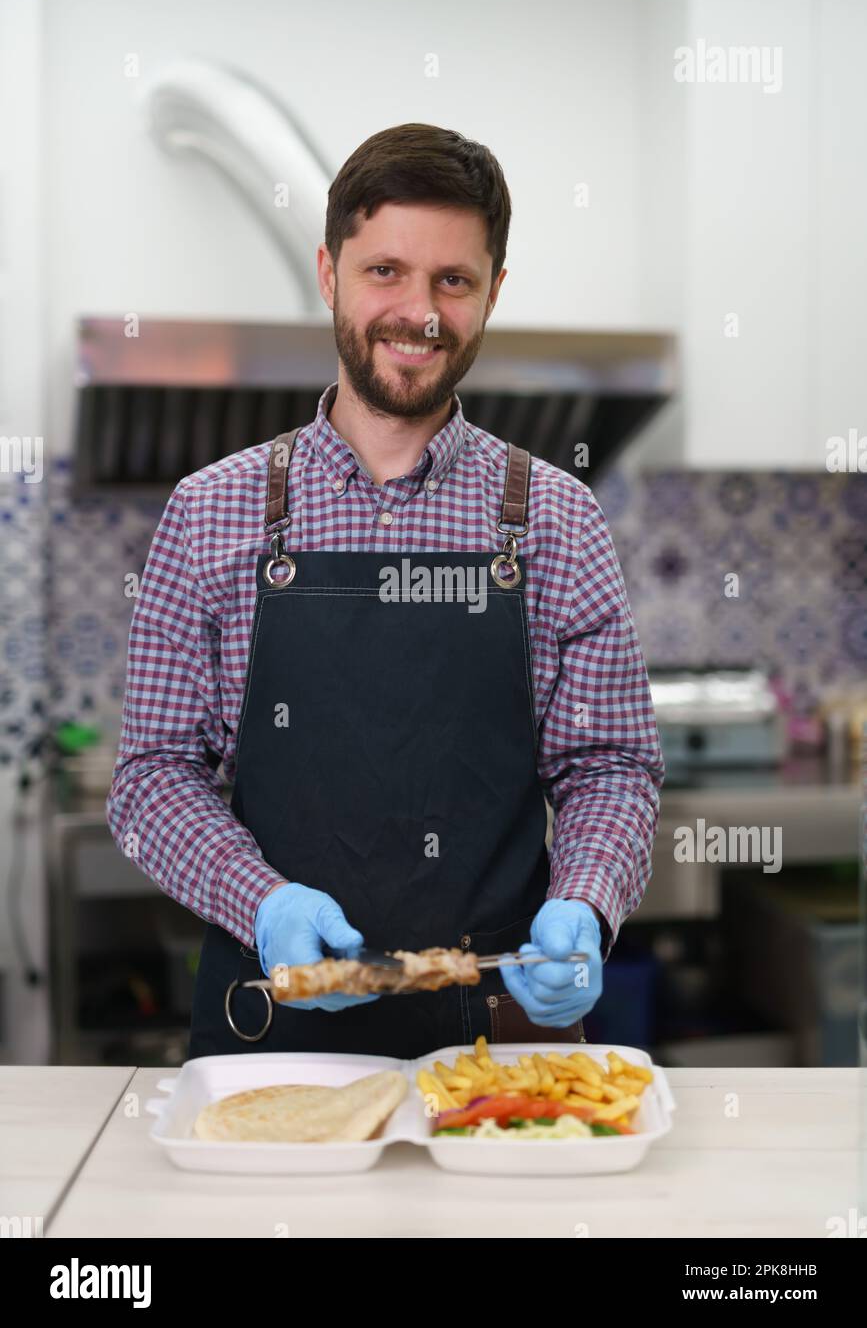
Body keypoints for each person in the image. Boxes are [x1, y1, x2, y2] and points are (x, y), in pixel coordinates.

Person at [106, 122, 665, 1059]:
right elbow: (151, 777)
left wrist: (584, 900)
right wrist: (264, 901)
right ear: (328, 274)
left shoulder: (559, 521)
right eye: (385, 272)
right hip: (273, 1032)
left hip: (501, 1042)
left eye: (454, 279)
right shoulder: (208, 514)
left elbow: (609, 767)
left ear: (492, 293)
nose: (420, 311)